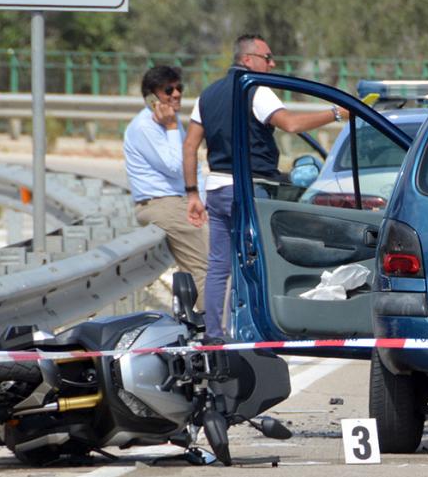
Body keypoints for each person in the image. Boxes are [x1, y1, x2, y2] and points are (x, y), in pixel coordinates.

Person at [183, 34, 348, 337]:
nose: (272, 64)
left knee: (219, 266)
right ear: (248, 60)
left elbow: (190, 145)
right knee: (255, 261)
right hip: (249, 189)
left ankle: (215, 334)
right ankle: (253, 330)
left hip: (216, 189)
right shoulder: (257, 90)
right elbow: (292, 125)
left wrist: (192, 192)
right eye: (267, 57)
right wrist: (337, 112)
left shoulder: (206, 95)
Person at [123, 65, 209, 303]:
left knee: (215, 257)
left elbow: (194, 168)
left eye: (179, 88)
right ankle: (213, 328)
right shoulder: (145, 127)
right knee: (205, 264)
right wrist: (171, 127)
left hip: (180, 200)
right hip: (161, 203)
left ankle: (195, 319)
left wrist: (202, 201)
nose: (176, 94)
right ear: (152, 98)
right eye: (168, 90)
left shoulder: (173, 123)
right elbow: (175, 166)